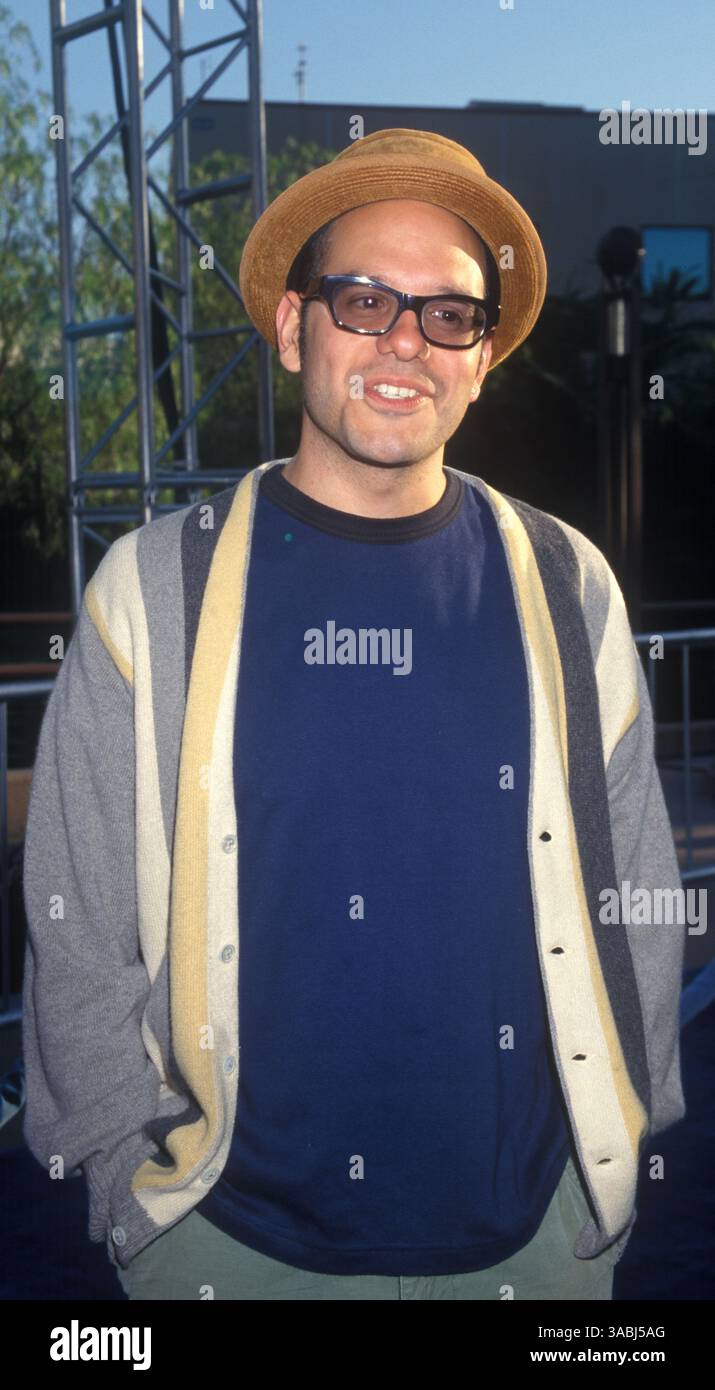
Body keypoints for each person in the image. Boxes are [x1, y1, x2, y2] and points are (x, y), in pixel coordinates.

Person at [21, 128, 686, 1302]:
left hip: (535, 1247)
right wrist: (129, 1191)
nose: (404, 344)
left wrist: (624, 1152)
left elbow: (633, 893)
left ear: (482, 357)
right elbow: (77, 932)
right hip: (224, 1248)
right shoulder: (149, 594)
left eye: (447, 314)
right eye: (363, 299)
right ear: (290, 327)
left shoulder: (569, 584)